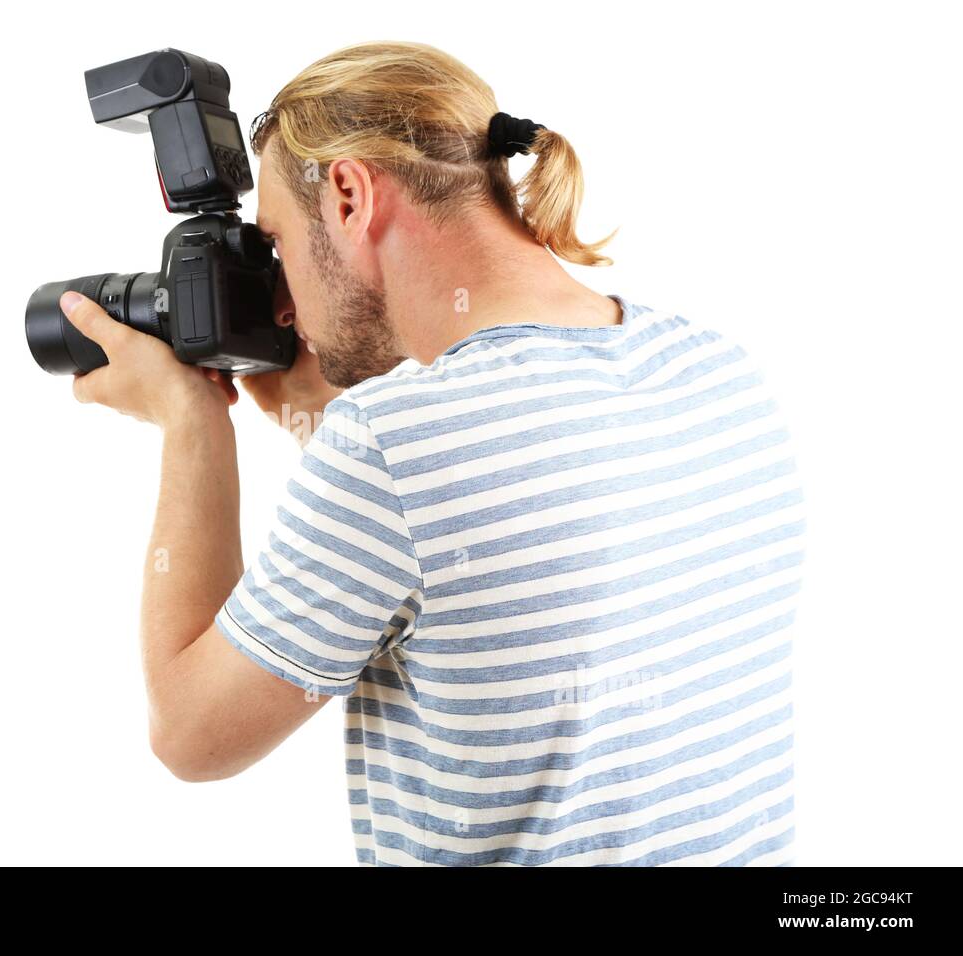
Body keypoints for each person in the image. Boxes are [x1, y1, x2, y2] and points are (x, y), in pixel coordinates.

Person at [57, 41, 805, 866]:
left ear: (348, 194)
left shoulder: (392, 444)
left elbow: (192, 735)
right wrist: (315, 417)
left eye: (277, 241)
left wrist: (191, 421)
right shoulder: (715, 366)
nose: (281, 293)